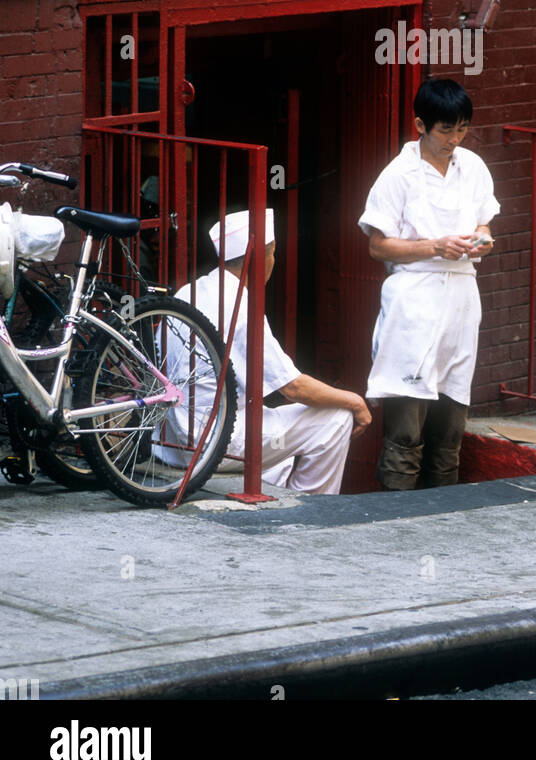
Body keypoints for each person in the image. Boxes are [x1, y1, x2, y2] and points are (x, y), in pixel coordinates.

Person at [163, 210, 371, 494]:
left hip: (174, 439)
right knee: (336, 418)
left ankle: (279, 496)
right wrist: (354, 401)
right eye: (274, 253)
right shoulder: (239, 304)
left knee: (275, 438)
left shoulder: (191, 290)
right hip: (215, 442)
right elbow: (293, 388)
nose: (276, 261)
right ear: (260, 257)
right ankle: (313, 505)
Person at [358, 77, 499, 490]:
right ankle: (397, 509)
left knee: (452, 417)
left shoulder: (471, 167)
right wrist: (435, 246)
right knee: (407, 422)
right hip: (414, 300)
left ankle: (442, 509)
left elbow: (484, 225)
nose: (453, 139)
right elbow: (378, 247)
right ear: (420, 125)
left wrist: (482, 243)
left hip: (460, 298)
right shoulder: (397, 175)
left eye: (461, 129)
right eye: (445, 130)